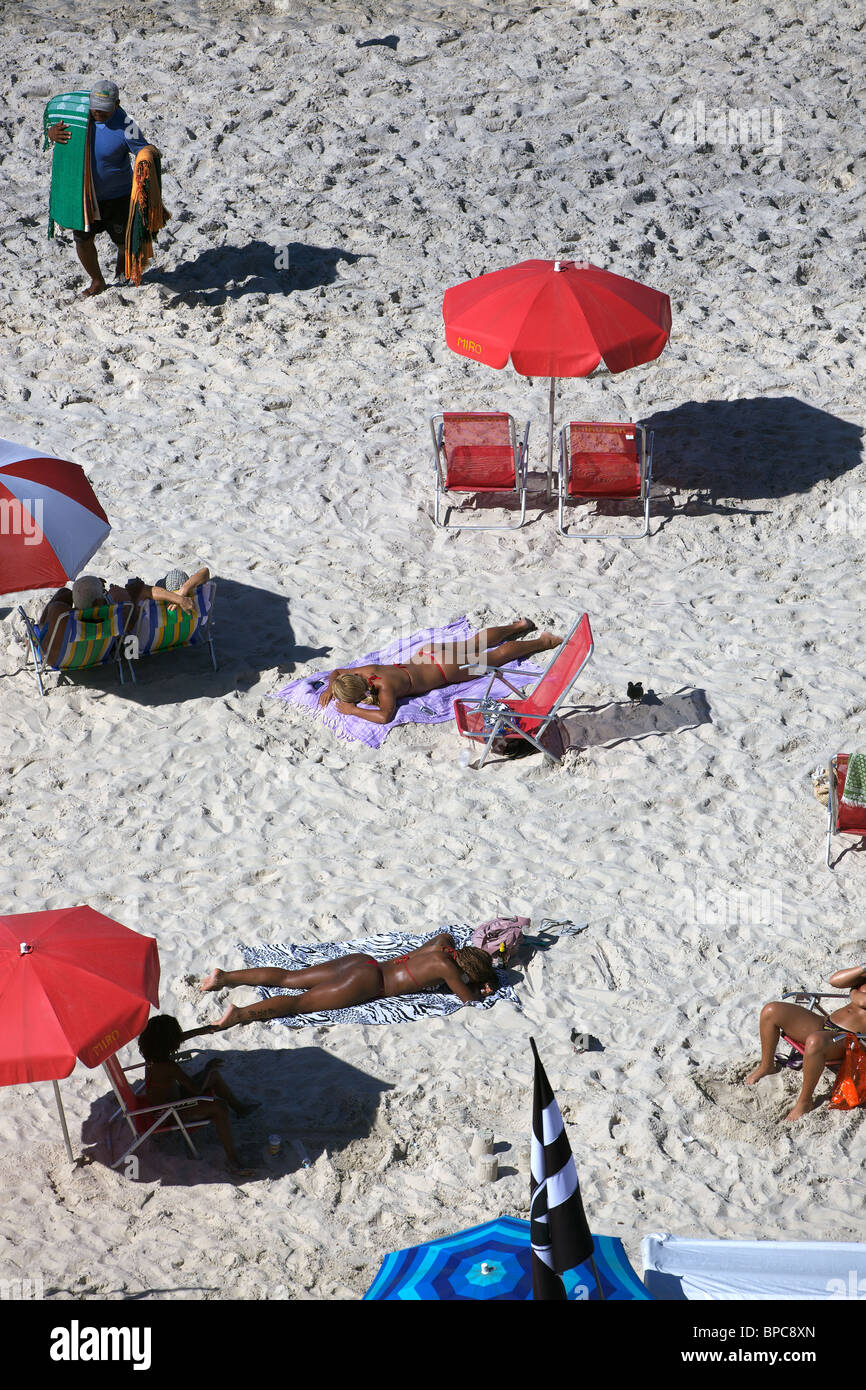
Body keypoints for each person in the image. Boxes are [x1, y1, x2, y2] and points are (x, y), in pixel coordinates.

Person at [194, 933, 499, 1031]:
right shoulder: (446, 968)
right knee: (301, 1003)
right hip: (369, 983)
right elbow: (469, 1000)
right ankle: (240, 1014)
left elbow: (438, 955)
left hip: (363, 961)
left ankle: (225, 977)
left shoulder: (444, 944)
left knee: (291, 977)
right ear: (466, 969)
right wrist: (478, 988)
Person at [317, 619, 562, 725]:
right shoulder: (367, 671)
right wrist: (331, 686)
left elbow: (384, 717)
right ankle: (519, 625)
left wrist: (353, 710)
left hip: (446, 669)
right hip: (430, 653)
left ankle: (545, 642)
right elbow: (337, 671)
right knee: (476, 643)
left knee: (495, 658)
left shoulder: (384, 690)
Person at [46, 80, 156, 297]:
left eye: (104, 110)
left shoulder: (127, 126)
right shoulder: (76, 121)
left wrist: (148, 171)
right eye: (94, 107)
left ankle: (123, 274)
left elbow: (144, 151)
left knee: (125, 241)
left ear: (117, 104)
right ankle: (97, 281)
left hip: (119, 197)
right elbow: (52, 134)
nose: (97, 112)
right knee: (83, 241)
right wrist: (51, 134)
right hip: (84, 195)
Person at [138, 1014, 258, 1175]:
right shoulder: (168, 1066)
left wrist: (203, 1030)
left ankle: (239, 1108)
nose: (179, 1042)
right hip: (169, 1113)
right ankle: (232, 1160)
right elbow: (196, 1090)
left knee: (213, 1077)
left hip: (172, 1098)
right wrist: (208, 1068)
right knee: (219, 1107)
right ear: (168, 1043)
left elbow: (175, 1038)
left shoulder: (152, 1056)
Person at [745, 963, 866, 1122]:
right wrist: (863, 968)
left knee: (815, 1041)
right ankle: (767, 1065)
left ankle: (805, 1101)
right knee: (771, 1010)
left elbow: (863, 1002)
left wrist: (853, 993)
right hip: (825, 1023)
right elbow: (835, 981)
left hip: (851, 1040)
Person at [36, 567, 207, 666]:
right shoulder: (113, 614)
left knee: (62, 595)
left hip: (55, 657)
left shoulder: (64, 616)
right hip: (177, 636)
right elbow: (205, 572)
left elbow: (49, 626)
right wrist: (182, 595)